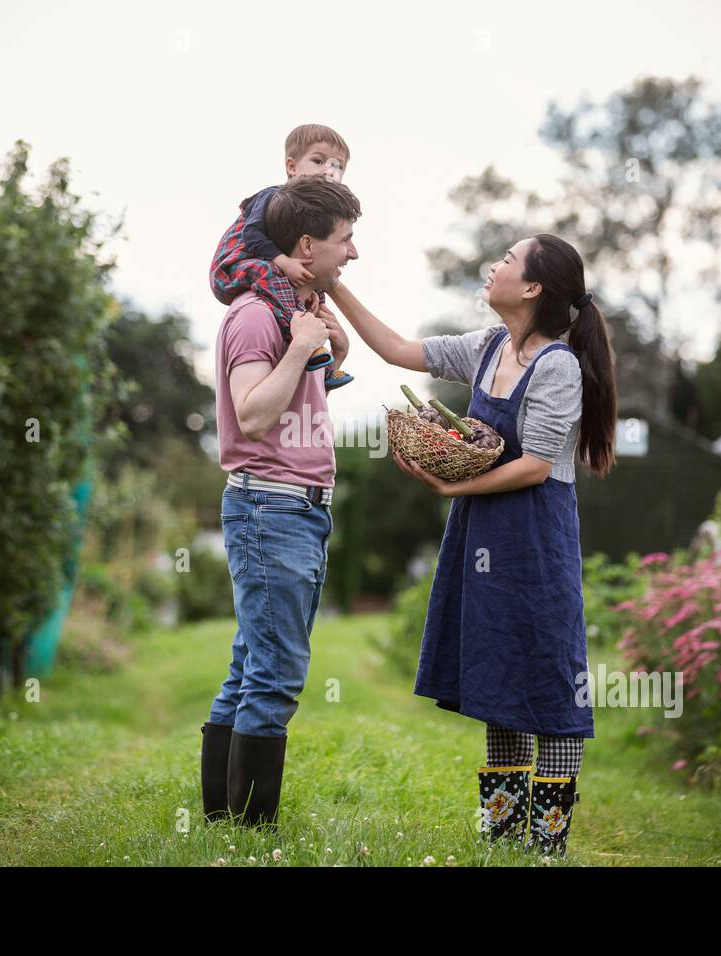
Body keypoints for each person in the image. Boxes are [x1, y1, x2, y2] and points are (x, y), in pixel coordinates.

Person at [328, 233, 617, 856]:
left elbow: (537, 464)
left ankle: (546, 840)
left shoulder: (559, 365)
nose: (494, 266)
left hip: (536, 538)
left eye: (508, 261)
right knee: (498, 672)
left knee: (548, 675)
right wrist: (332, 285)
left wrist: (451, 488)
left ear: (534, 287)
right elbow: (401, 350)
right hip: (483, 532)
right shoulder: (486, 348)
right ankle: (501, 831)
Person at [201, 174, 361, 828]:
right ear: (306, 243)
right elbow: (253, 413)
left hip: (298, 510)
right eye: (345, 240)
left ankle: (223, 820)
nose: (352, 254)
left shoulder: (296, 314)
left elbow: (291, 405)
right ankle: (251, 826)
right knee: (276, 672)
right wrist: (300, 347)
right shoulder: (253, 316)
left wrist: (327, 351)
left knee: (252, 664)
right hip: (269, 510)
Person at [209, 123, 356, 390]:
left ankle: (323, 367)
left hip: (268, 264)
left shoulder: (305, 214)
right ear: (291, 167)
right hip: (235, 264)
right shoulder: (274, 197)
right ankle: (304, 345)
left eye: (337, 166)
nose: (328, 170)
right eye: (318, 160)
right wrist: (283, 261)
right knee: (277, 276)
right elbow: (252, 236)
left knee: (314, 290)